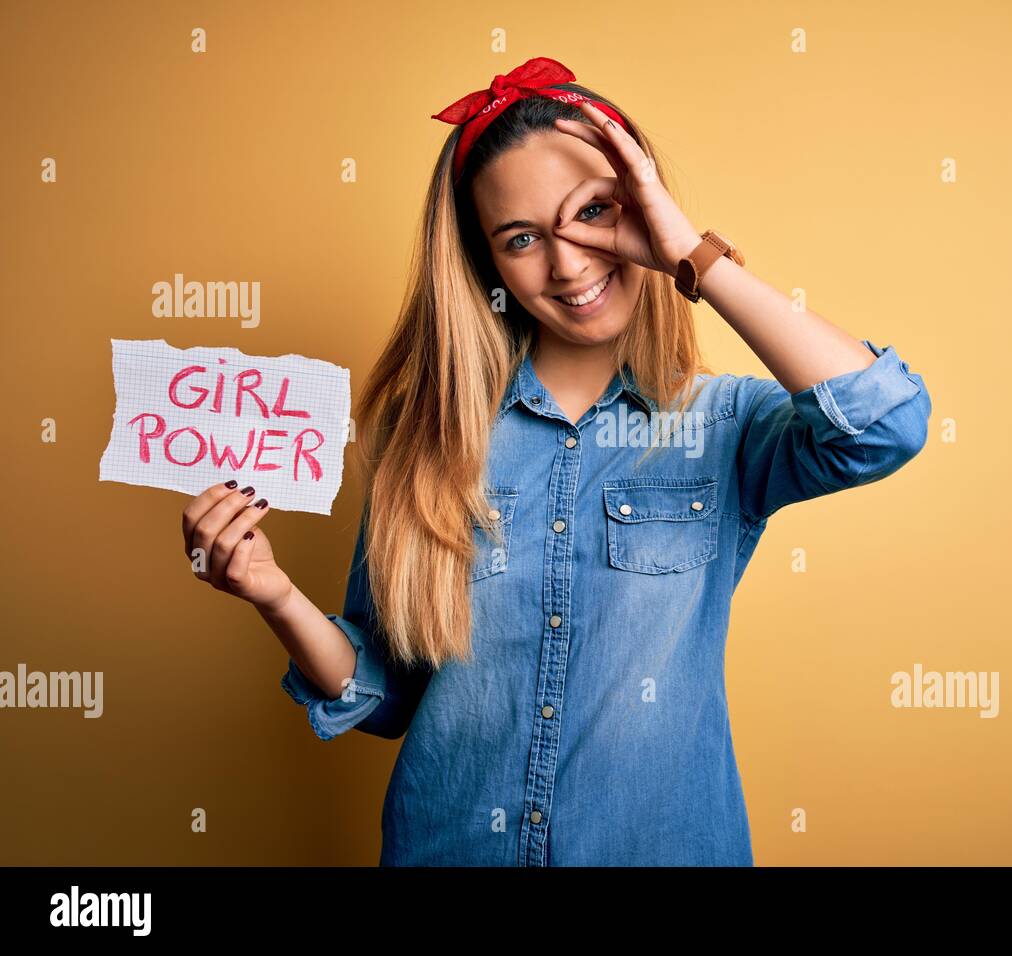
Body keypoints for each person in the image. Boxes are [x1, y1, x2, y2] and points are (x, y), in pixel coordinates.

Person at [180, 56, 932, 866]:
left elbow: (885, 424)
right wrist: (271, 593)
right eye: (523, 238)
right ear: (486, 264)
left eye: (597, 213)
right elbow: (386, 697)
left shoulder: (724, 425)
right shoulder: (423, 436)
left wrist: (692, 257)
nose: (570, 264)